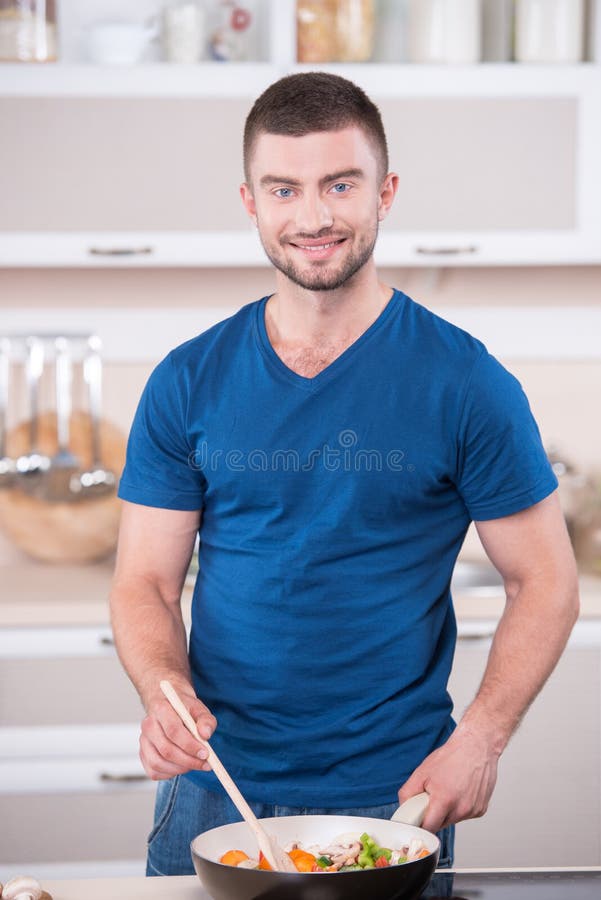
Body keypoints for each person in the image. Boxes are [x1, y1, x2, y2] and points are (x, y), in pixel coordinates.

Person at [109, 71, 580, 877]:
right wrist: (161, 687)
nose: (314, 216)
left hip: (392, 792)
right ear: (250, 201)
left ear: (385, 193)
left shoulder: (466, 384)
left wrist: (481, 737)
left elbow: (546, 581)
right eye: (284, 189)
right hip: (214, 786)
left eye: (340, 184)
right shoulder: (188, 379)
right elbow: (145, 583)